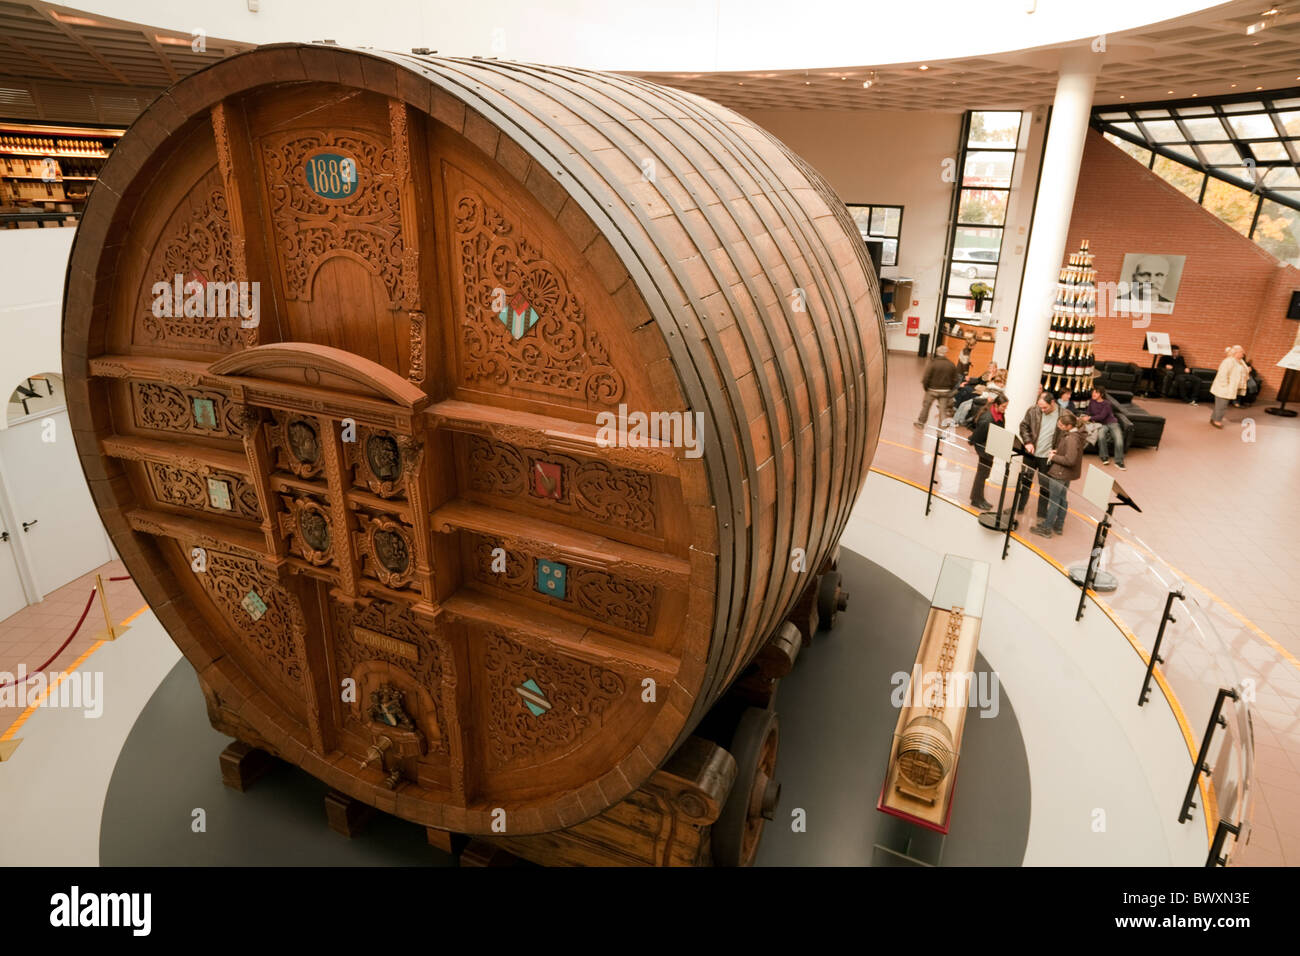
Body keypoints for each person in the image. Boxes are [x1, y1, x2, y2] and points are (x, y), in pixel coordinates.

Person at [1033, 410, 1084, 537]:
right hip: (1066, 474)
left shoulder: (1071, 438)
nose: (1059, 426)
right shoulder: (1075, 435)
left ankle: (1047, 529)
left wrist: (1053, 457)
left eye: (1061, 425)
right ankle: (1058, 526)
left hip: (1061, 473)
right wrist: (1058, 452)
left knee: (1054, 501)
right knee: (1062, 499)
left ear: (1069, 426)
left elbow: (1070, 459)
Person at [1016, 391, 1059, 522]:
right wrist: (1028, 442)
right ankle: (1019, 507)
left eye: (1045, 407)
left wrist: (1059, 450)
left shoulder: (1063, 414)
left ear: (1052, 403)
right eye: (1040, 406)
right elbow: (1023, 426)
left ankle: (1041, 513)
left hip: (1047, 458)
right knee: (1025, 482)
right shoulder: (1033, 410)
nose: (1042, 409)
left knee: (1045, 487)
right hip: (1031, 454)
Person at [968, 394, 1008, 511]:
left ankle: (979, 497)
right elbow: (977, 437)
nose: (1005, 409)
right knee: (982, 474)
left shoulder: (999, 415)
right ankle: (976, 499)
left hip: (991, 447)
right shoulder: (987, 419)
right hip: (985, 449)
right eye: (1003, 406)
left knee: (984, 474)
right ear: (996, 405)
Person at [914, 344, 960, 429]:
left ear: (937, 352)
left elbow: (926, 378)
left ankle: (920, 423)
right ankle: (942, 426)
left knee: (926, 407)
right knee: (943, 409)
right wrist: (949, 388)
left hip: (932, 390)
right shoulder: (951, 364)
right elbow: (955, 379)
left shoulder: (933, 363)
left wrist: (926, 388)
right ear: (946, 353)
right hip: (945, 391)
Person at [1209, 345, 1249, 428]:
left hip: (1230, 387)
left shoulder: (1240, 361)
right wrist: (1225, 386)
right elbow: (1222, 374)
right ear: (1236, 353)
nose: (1243, 354)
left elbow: (1242, 371)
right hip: (1223, 387)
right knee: (1222, 405)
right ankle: (1217, 421)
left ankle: (1214, 418)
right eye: (1242, 352)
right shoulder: (1228, 361)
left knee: (1220, 405)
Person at [1087, 385, 1126, 469]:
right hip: (1101, 424)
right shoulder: (1091, 401)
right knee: (1101, 437)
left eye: (1096, 393)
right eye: (1093, 392)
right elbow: (1089, 412)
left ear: (1101, 394)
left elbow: (1102, 416)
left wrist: (1090, 418)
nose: (1093, 394)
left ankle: (1119, 461)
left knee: (1119, 439)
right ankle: (1104, 457)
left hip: (1112, 423)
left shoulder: (1107, 403)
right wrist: (1088, 418)